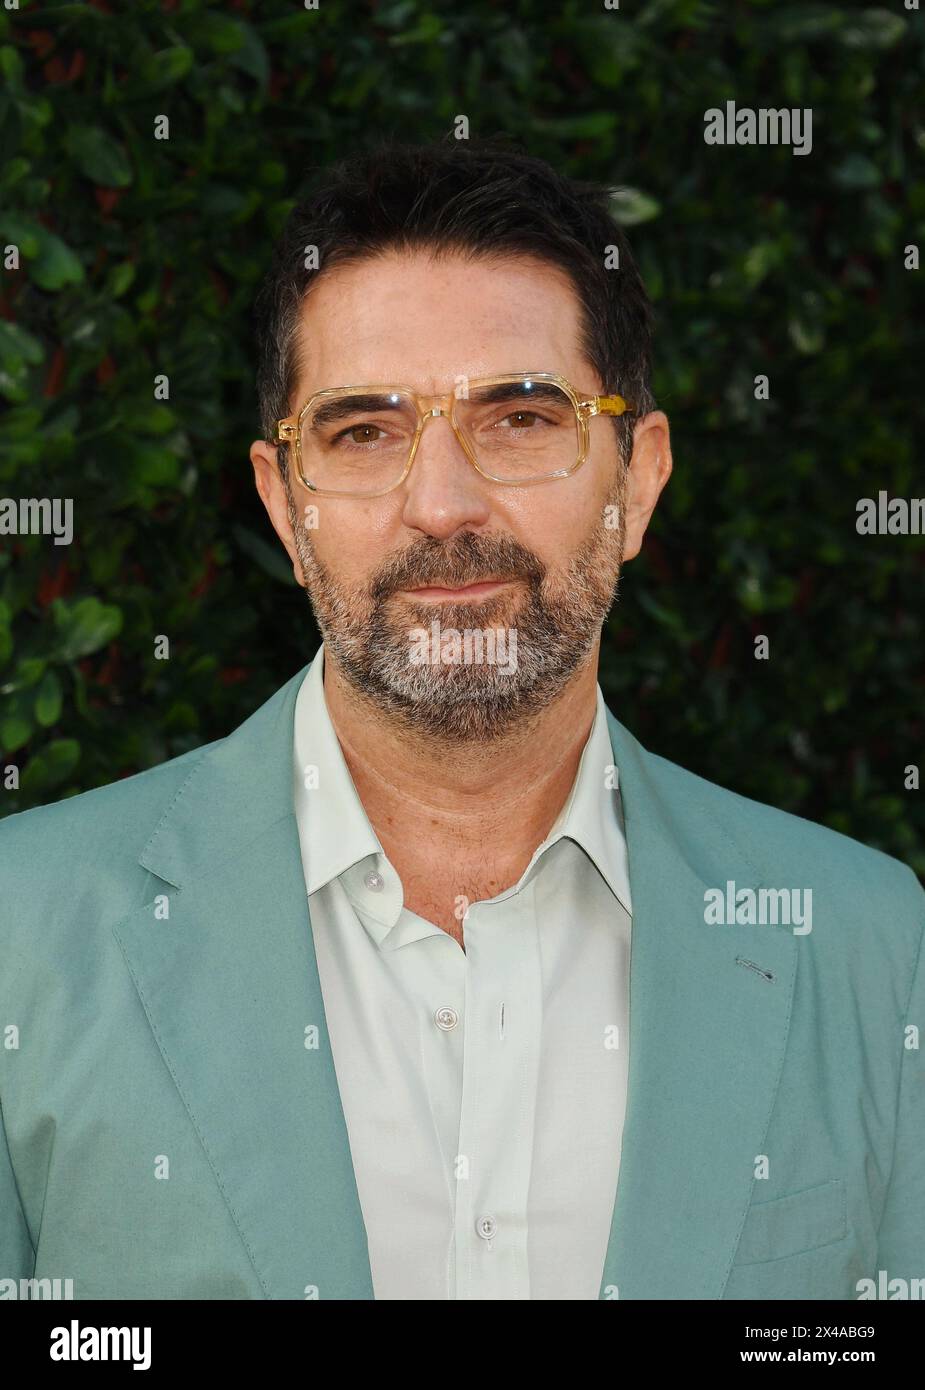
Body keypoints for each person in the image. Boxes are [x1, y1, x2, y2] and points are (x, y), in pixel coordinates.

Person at [1, 138, 922, 1302]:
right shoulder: (18, 934)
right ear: (285, 508)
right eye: (363, 432)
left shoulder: (869, 945)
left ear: (634, 482)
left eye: (521, 418)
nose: (441, 504)